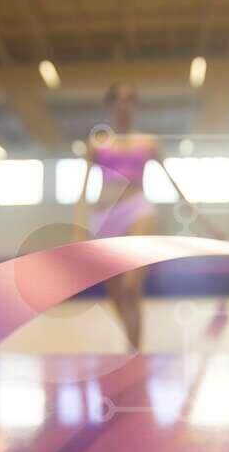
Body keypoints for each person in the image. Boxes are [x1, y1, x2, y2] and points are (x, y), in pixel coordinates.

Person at [74, 82, 192, 351]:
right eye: (118, 99)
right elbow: (81, 191)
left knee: (131, 285)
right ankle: (131, 341)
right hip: (105, 217)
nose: (124, 104)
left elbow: (173, 182)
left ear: (135, 106)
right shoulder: (96, 144)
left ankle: (135, 351)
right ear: (109, 106)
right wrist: (79, 230)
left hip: (139, 210)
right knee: (114, 291)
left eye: (129, 99)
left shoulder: (148, 142)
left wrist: (197, 214)